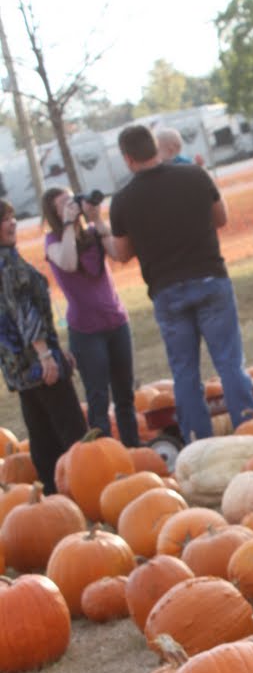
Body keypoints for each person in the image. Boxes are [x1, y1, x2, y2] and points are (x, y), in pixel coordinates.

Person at [108, 123, 253, 443]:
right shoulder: (194, 176)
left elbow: (121, 253)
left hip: (166, 290)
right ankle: (250, 428)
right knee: (230, 364)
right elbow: (221, 218)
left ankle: (199, 441)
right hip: (210, 278)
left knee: (185, 374)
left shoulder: (123, 200)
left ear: (127, 158)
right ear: (155, 146)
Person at [41, 188, 140, 447]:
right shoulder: (53, 243)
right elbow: (70, 262)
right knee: (98, 398)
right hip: (86, 331)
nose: (72, 206)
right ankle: (104, 452)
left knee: (125, 394)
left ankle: (133, 447)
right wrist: (68, 225)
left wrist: (96, 218)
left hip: (116, 321)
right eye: (64, 204)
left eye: (72, 200)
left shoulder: (94, 234)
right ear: (54, 214)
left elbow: (118, 254)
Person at [0, 200, 86, 492]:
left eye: (12, 216)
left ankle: (51, 491)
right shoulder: (9, 265)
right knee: (72, 431)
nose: (12, 223)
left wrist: (53, 348)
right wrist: (46, 355)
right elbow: (25, 312)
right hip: (37, 364)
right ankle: (83, 488)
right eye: (4, 220)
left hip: (19, 368)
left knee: (41, 434)